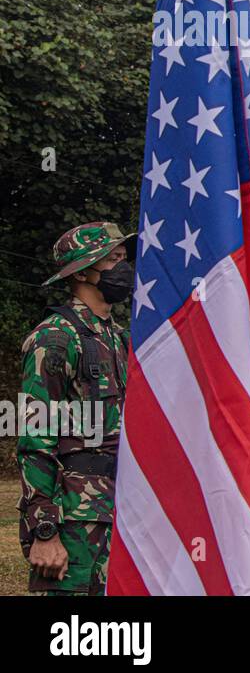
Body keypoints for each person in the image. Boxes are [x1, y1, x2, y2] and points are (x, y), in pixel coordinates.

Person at [18, 222, 133, 595]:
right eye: (112, 259)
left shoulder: (117, 339)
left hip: (122, 507)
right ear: (83, 270)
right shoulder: (54, 339)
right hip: (74, 519)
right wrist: (44, 531)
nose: (123, 267)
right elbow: (35, 440)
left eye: (123, 257)